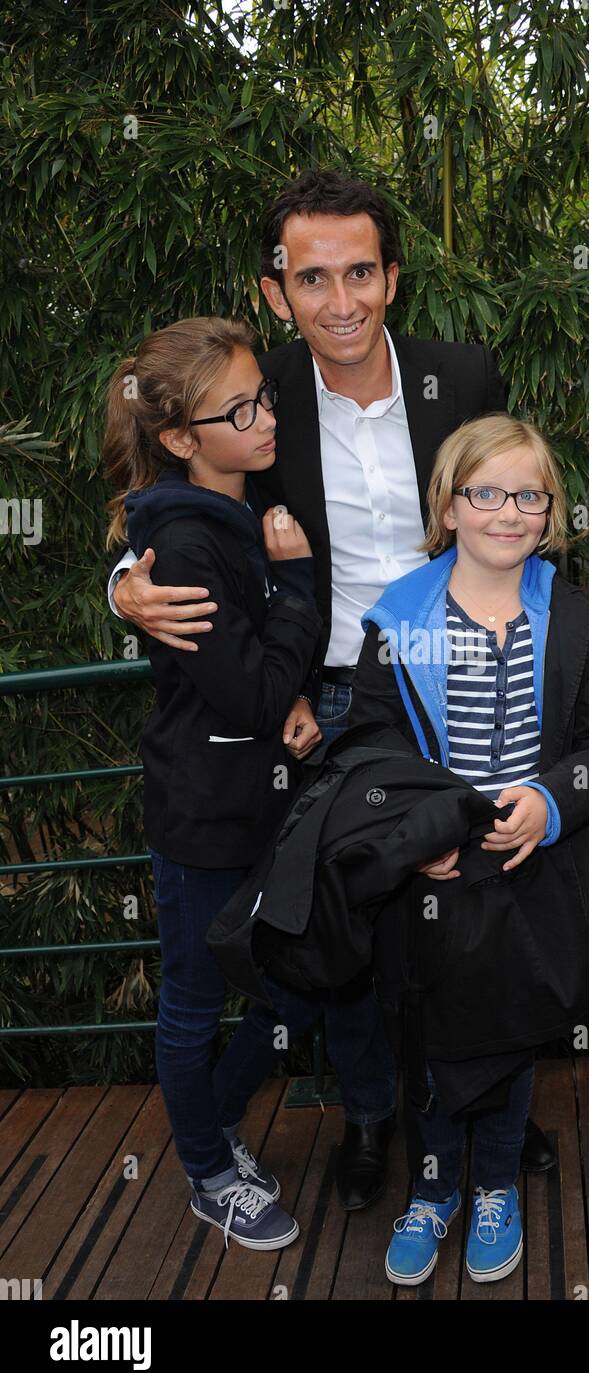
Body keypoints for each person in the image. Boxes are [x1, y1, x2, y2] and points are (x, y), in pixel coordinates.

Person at [103, 169, 559, 1205]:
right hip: (325, 704)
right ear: (277, 292)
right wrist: (125, 584)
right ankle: (371, 1117)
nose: (339, 301)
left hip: (460, 676)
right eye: (312, 279)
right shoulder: (249, 400)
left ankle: (487, 1104)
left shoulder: (462, 374)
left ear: (393, 277)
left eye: (360, 272)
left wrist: (565, 653)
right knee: (350, 935)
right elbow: (163, 495)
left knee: (481, 907)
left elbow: (514, 504)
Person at [347, 413, 589, 1285]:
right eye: (486, 493)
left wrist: (550, 803)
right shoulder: (398, 622)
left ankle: (497, 1182)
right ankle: (432, 1189)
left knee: (514, 1031)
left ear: (548, 511)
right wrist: (412, 840)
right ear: (448, 504)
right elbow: (368, 747)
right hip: (435, 873)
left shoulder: (575, 620)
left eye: (528, 495)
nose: (507, 512)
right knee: (432, 1038)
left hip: (535, 867)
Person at [103, 314, 327, 1250]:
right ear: (179, 439)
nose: (266, 417)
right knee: (196, 995)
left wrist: (289, 698)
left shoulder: (237, 506)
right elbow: (252, 686)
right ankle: (204, 1168)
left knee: (295, 984)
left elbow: (265, 689)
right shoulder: (186, 546)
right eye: (240, 409)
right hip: (205, 813)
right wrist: (298, 581)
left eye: (263, 395)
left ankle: (217, 1124)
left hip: (268, 802)